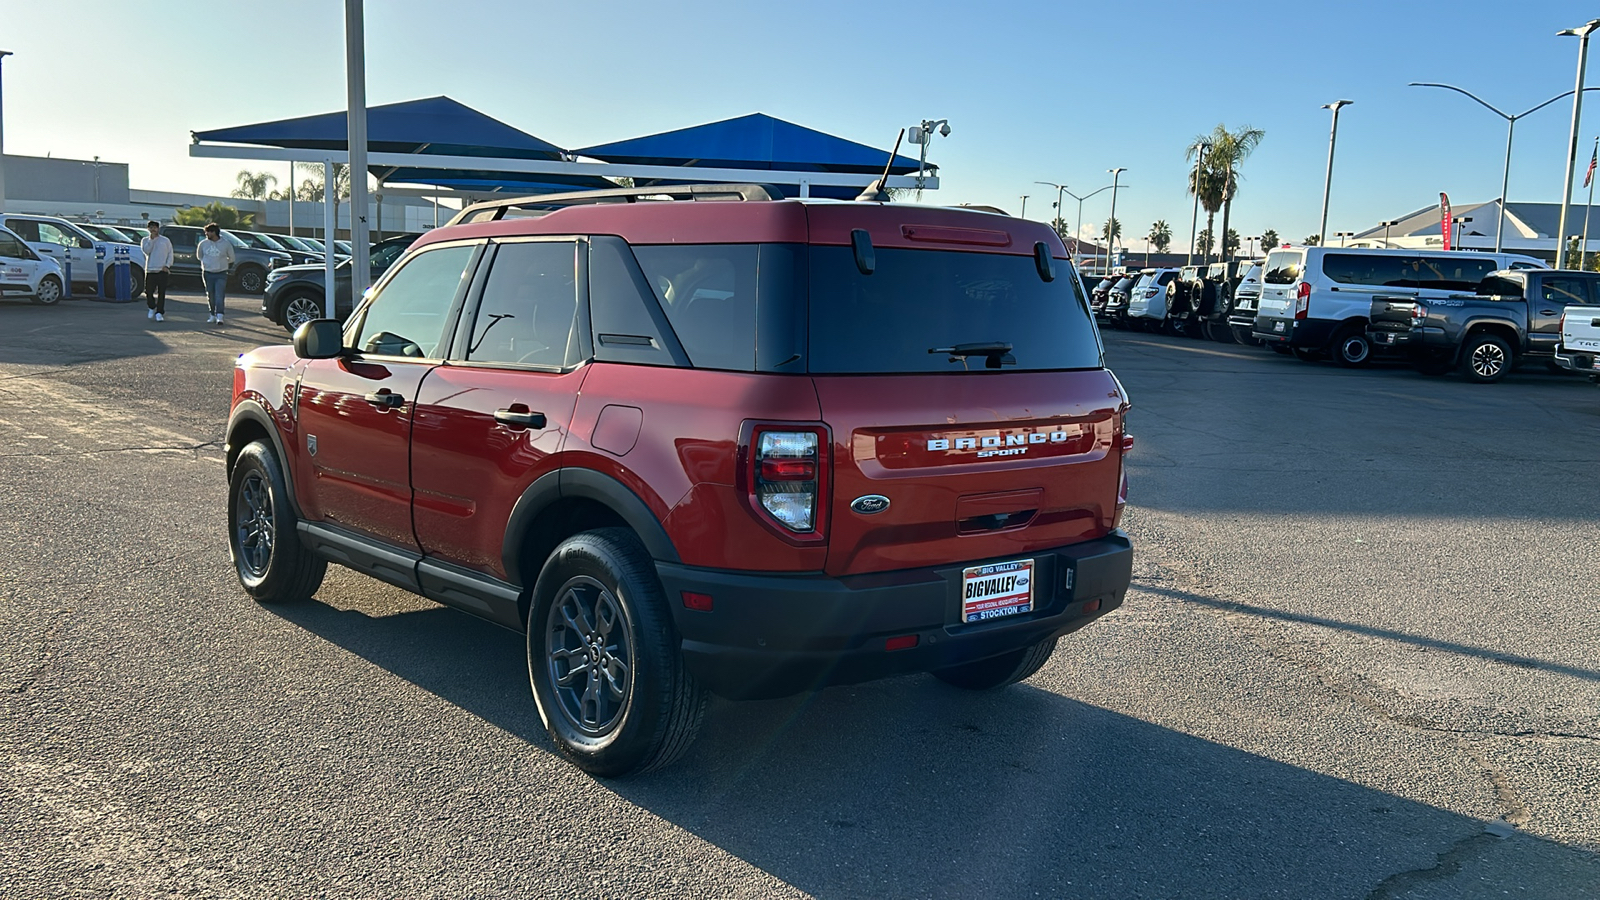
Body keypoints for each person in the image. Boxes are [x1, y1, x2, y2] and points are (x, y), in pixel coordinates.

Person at [197, 222, 235, 324]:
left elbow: (232, 258)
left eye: (208, 232)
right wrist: (207, 263)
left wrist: (222, 263)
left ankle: (220, 315)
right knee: (210, 294)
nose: (207, 234)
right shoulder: (203, 244)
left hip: (221, 273)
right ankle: (212, 315)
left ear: (214, 232)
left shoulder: (225, 244)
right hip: (207, 273)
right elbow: (199, 256)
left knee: (219, 294)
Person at [140, 221, 174, 322]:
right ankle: (151, 307)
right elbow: (147, 251)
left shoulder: (165, 240)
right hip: (150, 270)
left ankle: (159, 312)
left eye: (155, 227)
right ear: (148, 229)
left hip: (162, 270)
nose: (153, 229)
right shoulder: (145, 240)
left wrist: (167, 265)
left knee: (161, 292)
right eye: (151, 227)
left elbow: (170, 254)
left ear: (158, 228)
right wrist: (151, 239)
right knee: (149, 291)